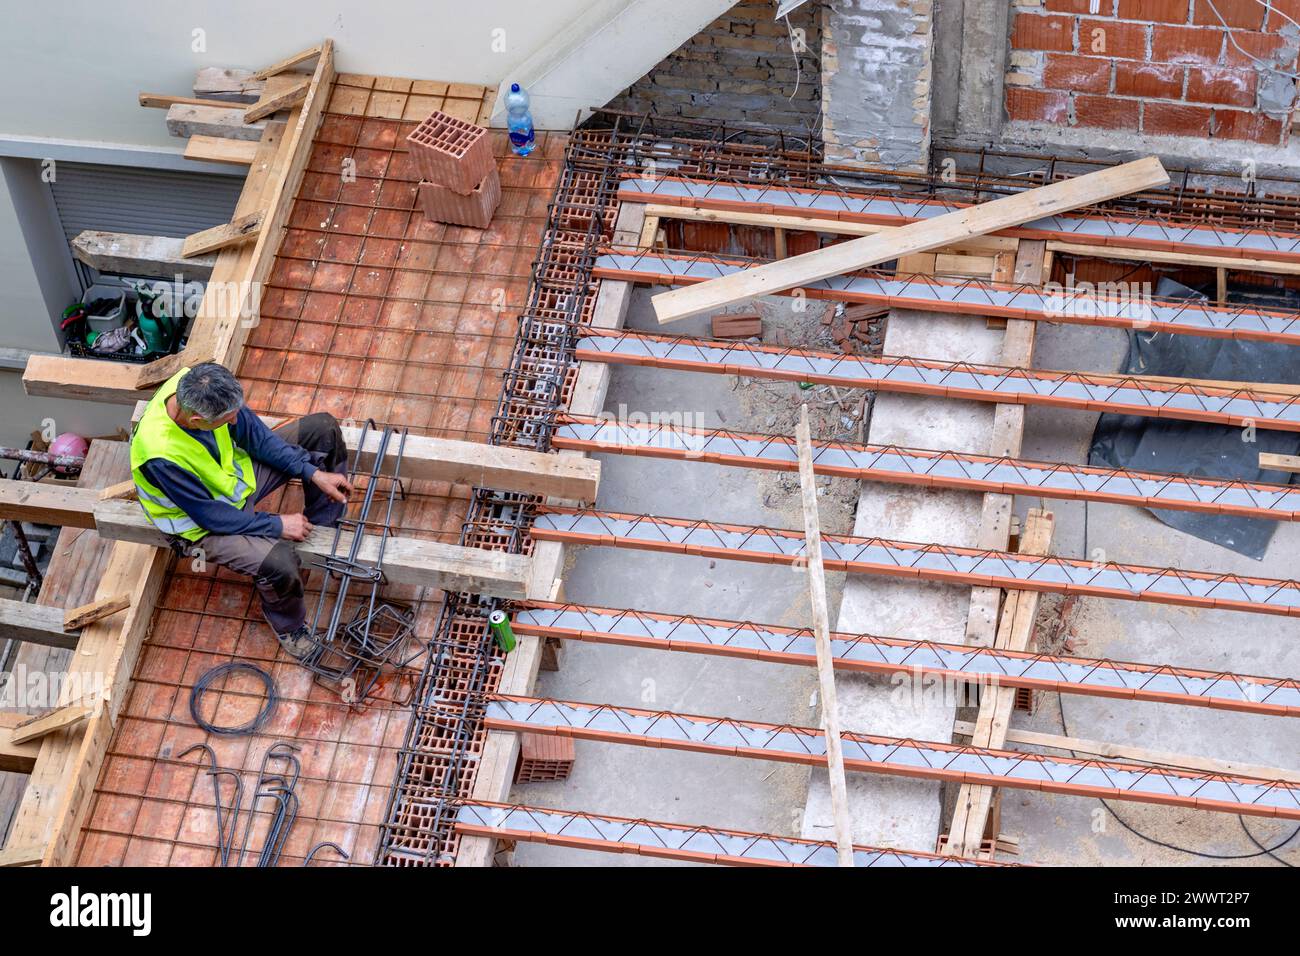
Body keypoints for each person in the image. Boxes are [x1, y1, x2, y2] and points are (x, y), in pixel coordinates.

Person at [129, 362, 354, 658]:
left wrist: (312, 473)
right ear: (196, 419)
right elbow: (210, 516)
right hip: (200, 526)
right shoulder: (159, 454)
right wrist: (276, 525)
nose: (237, 420)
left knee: (323, 429)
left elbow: (258, 439)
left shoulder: (202, 386)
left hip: (235, 482)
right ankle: (290, 629)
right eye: (228, 418)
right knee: (281, 562)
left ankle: (324, 531)